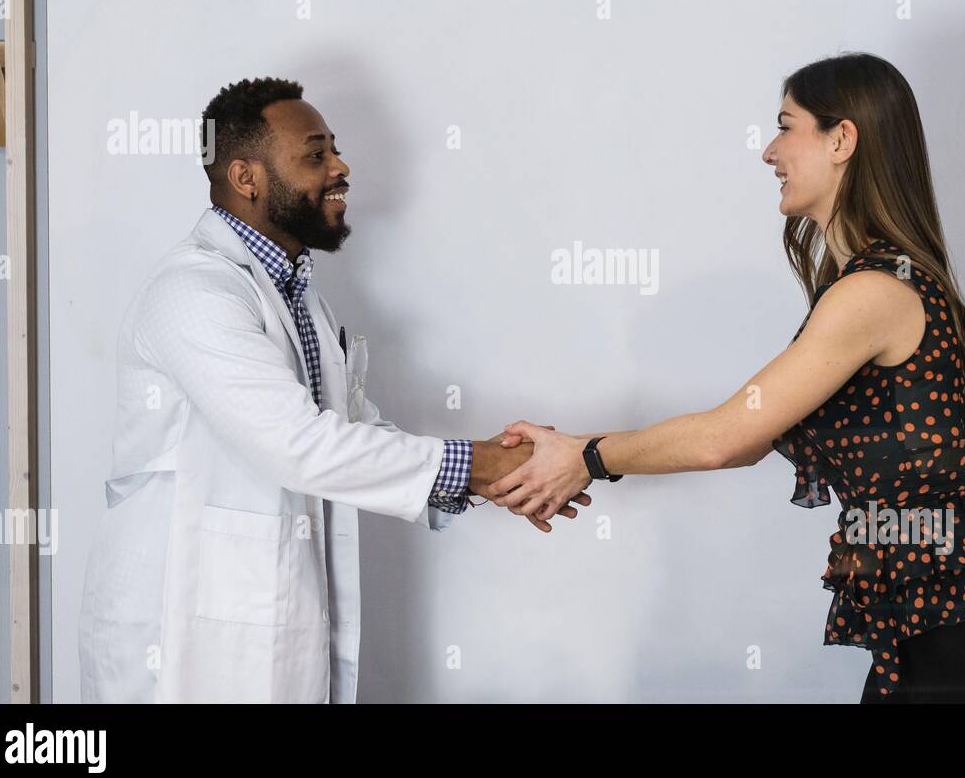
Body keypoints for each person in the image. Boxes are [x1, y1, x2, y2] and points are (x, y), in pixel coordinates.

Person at [491, 52, 965, 703]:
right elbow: (741, 433)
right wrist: (576, 451)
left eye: (785, 125)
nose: (770, 151)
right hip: (946, 636)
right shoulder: (869, 287)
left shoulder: (875, 293)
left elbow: (724, 438)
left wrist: (586, 457)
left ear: (842, 139)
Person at [78, 77, 588, 703]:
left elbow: (352, 431)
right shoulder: (195, 294)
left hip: (265, 622)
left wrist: (490, 475)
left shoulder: (297, 295)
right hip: (181, 634)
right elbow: (301, 445)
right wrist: (483, 464)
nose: (341, 168)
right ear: (247, 178)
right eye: (315, 154)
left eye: (335, 151)